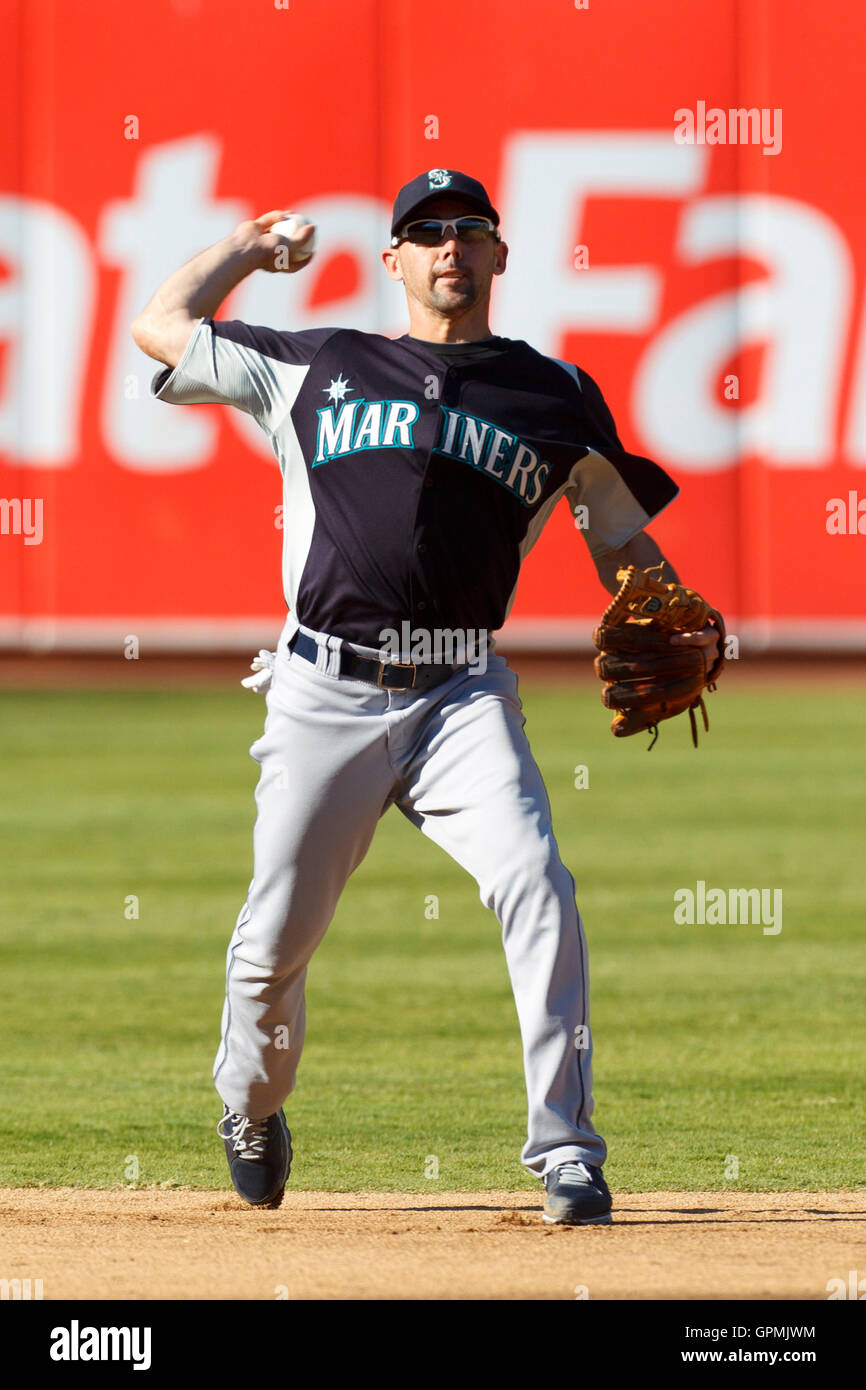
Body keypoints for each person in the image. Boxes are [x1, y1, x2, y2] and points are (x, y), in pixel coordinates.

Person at [132, 168, 719, 1225]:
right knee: (274, 941)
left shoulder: (554, 394)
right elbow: (161, 324)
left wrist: (666, 600)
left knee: (538, 883)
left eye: (469, 230)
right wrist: (247, 246)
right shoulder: (318, 364)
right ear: (394, 260)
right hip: (323, 687)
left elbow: (616, 534)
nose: (449, 245)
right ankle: (248, 1103)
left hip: (461, 690)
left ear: (499, 256)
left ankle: (567, 1153)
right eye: (426, 232)